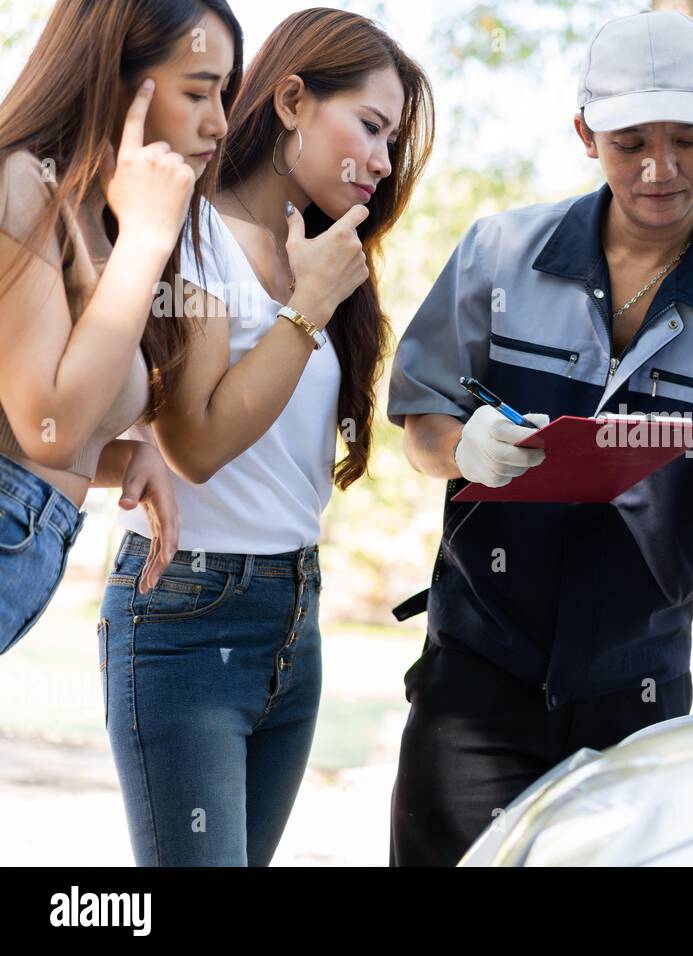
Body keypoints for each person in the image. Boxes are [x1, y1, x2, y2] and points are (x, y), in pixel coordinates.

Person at [387, 9, 693, 867]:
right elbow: (419, 416)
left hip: (638, 700)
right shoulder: (496, 255)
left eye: (688, 138)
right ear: (586, 133)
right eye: (630, 143)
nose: (661, 170)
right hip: (475, 684)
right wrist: (461, 447)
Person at [99, 7, 434, 866]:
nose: (382, 161)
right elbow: (196, 442)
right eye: (370, 126)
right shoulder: (196, 233)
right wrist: (308, 305)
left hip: (295, 613)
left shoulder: (323, 257)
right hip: (186, 611)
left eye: (391, 140)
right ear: (290, 100)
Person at [0, 0, 244, 653]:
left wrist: (129, 456)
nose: (220, 123)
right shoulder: (22, 180)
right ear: (113, 78)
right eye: (199, 91)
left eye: (225, 94)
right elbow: (47, 426)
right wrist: (148, 235)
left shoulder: (94, 214)